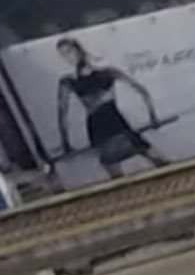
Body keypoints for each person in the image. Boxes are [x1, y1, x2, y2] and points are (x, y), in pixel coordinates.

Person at [47, 37, 158, 179]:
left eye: (69, 52)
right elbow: (62, 113)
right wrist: (65, 143)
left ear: (78, 51)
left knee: (149, 154)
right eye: (63, 54)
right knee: (115, 171)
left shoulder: (106, 72)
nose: (67, 57)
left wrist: (153, 116)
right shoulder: (68, 82)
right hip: (97, 126)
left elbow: (142, 91)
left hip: (115, 120)